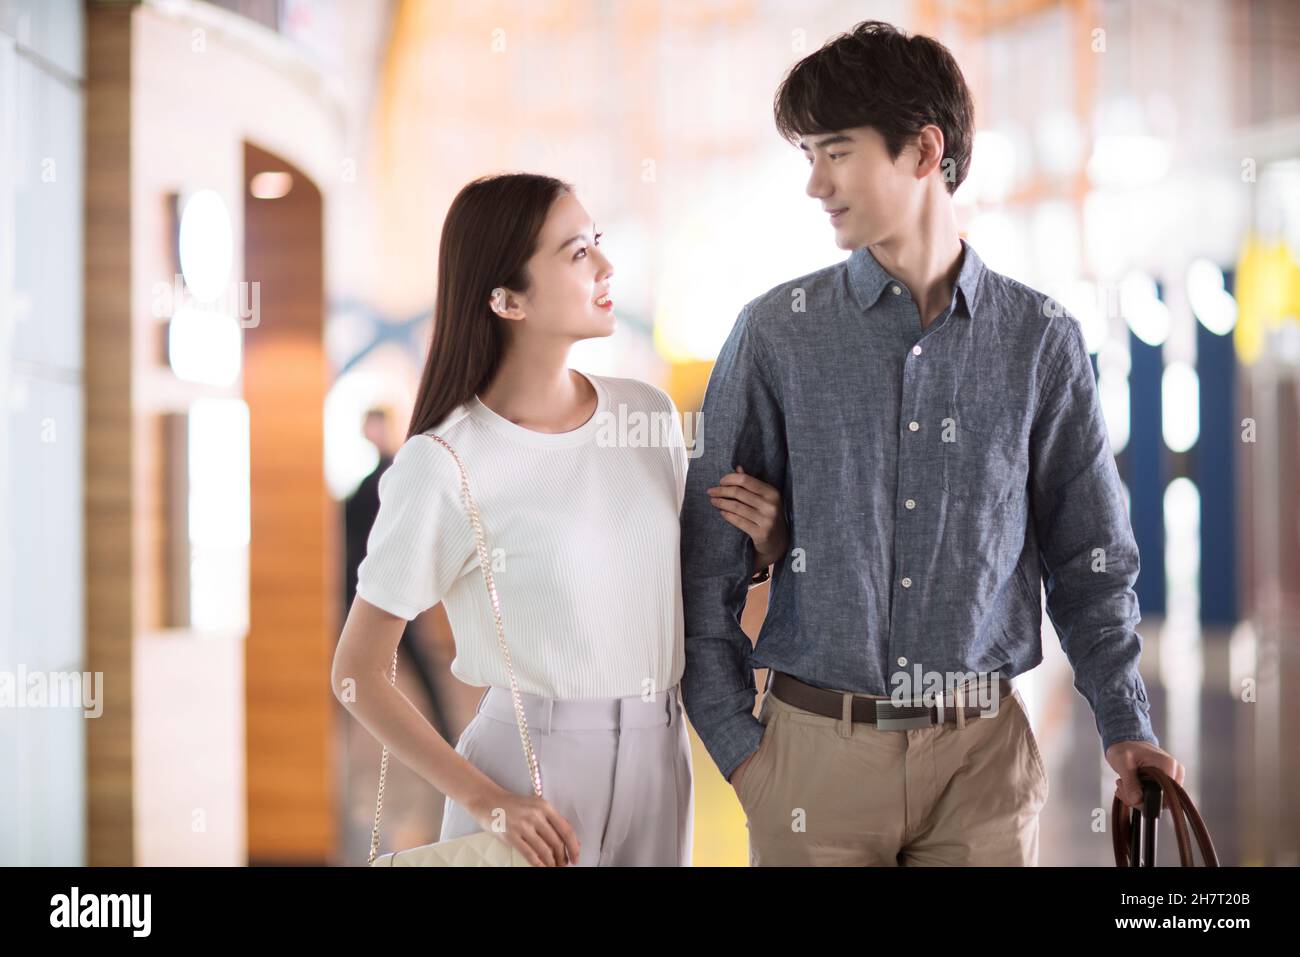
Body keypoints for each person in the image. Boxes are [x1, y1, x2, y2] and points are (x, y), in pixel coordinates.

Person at [679, 19, 1186, 866]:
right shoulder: (776, 335)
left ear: (923, 150)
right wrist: (744, 749)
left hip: (981, 773)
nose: (814, 184)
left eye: (834, 152)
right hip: (811, 766)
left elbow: (1090, 558)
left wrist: (1126, 726)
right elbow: (707, 567)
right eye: (808, 154)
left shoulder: (1039, 341)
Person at [331, 172, 788, 867]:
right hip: (527, 774)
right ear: (506, 297)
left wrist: (764, 547)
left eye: (598, 243)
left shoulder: (646, 414)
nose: (606, 267)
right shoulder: (446, 458)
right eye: (577, 253)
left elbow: (674, 577)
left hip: (661, 757)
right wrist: (488, 801)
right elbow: (357, 669)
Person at [341, 407, 451, 742]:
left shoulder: (392, 473)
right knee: (354, 667)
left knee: (400, 665)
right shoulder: (372, 476)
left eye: (373, 425)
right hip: (364, 584)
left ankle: (443, 733)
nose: (369, 431)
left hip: (387, 587)